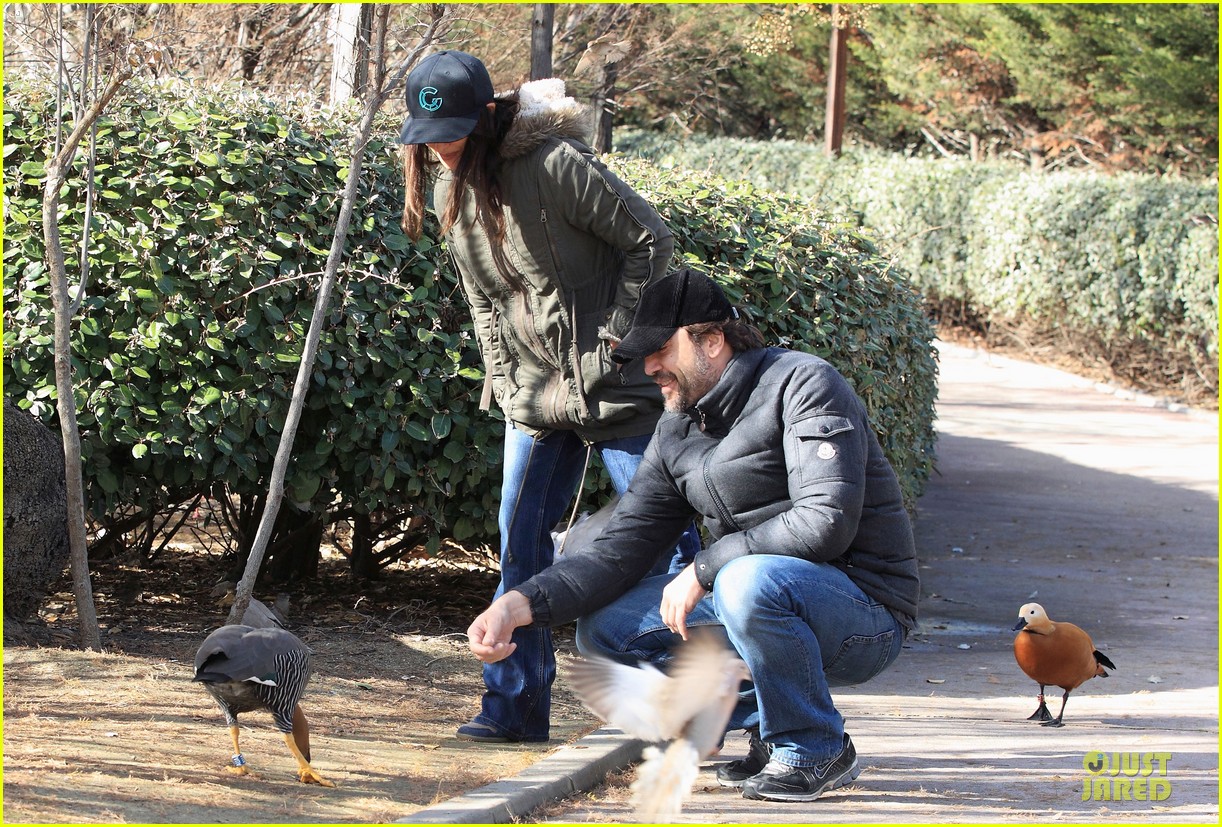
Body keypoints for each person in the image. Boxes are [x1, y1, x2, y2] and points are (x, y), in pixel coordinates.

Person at [467, 267, 920, 801]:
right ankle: (771, 729)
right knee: (608, 631)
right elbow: (621, 548)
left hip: (863, 613)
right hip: (760, 594)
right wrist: (518, 606)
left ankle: (814, 746)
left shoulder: (804, 384)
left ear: (711, 339)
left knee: (746, 582)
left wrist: (705, 568)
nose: (650, 367)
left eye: (661, 349)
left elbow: (825, 519)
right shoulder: (676, 429)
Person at [398, 51, 700, 744]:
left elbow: (651, 242)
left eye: (449, 133)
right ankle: (514, 708)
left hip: (621, 388)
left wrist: (616, 343)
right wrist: (505, 381)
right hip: (535, 397)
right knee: (521, 547)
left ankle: (699, 712)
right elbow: (486, 300)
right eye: (425, 136)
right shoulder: (452, 191)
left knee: (669, 550)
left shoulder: (555, 165)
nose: (437, 148)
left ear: (486, 119)